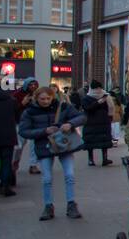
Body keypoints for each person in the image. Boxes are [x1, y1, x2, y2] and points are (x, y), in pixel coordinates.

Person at [18, 86, 86, 220]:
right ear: (36, 98)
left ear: (53, 97)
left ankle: (71, 204)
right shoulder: (30, 112)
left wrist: (70, 124)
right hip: (44, 146)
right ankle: (48, 206)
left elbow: (82, 117)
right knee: (47, 179)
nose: (46, 101)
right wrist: (44, 131)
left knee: (69, 175)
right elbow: (24, 131)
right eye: (42, 99)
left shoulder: (63, 106)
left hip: (64, 145)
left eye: (48, 98)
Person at [81, 81, 116, 166]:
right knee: (90, 142)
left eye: (100, 88)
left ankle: (105, 159)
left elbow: (110, 108)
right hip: (91, 123)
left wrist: (110, 117)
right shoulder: (87, 98)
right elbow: (87, 108)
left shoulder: (106, 96)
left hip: (104, 122)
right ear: (92, 89)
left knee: (104, 141)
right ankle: (90, 159)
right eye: (96, 88)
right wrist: (98, 102)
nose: (99, 90)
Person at [13, 78, 41, 176]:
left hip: (34, 123)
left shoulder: (38, 95)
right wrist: (22, 103)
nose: (33, 86)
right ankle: (15, 163)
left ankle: (33, 165)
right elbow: (13, 109)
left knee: (34, 146)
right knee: (19, 146)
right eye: (30, 85)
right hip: (21, 123)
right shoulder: (17, 94)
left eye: (34, 84)